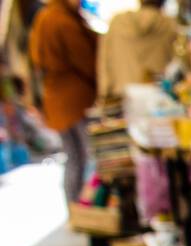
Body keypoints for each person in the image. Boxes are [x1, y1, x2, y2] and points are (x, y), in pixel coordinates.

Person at [28, 0, 97, 204]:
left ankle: (75, 205)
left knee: (74, 155)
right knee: (84, 155)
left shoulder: (45, 17)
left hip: (56, 99)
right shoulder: (61, 19)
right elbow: (85, 59)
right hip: (74, 100)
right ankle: (83, 206)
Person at [97, 0, 176, 103]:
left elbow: (104, 61)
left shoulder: (117, 22)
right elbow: (177, 64)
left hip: (121, 98)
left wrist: (104, 94)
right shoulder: (169, 25)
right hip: (158, 99)